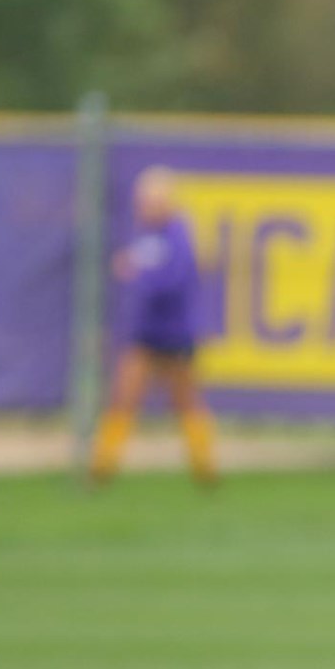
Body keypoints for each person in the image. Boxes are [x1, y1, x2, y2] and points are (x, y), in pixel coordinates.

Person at [88, 167, 218, 485]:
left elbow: (173, 281)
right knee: (123, 397)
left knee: (186, 401)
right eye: (142, 201)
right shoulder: (144, 234)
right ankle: (102, 467)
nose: (145, 207)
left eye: (151, 201)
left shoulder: (179, 235)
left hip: (174, 333)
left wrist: (137, 272)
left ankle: (205, 467)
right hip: (145, 333)